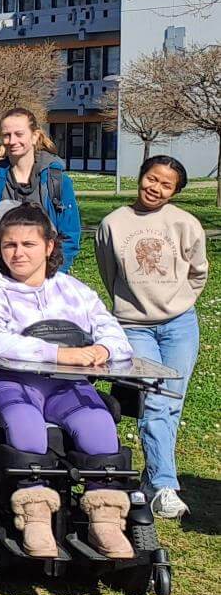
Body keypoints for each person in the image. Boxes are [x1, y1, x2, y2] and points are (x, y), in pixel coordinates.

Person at [0, 204, 135, 559]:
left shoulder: (75, 290)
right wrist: (58, 353)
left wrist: (104, 349)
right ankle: (34, 514)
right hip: (9, 381)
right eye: (9, 246)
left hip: (67, 384)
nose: (18, 253)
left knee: (98, 422)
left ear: (49, 246)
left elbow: (113, 332)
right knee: (25, 421)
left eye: (28, 245)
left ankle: (105, 518)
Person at [95, 155, 209, 520]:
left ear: (175, 192)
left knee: (172, 402)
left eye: (166, 185)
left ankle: (153, 477)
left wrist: (179, 301)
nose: (155, 188)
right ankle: (164, 486)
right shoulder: (114, 223)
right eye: (152, 179)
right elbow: (108, 271)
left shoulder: (185, 224)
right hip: (134, 326)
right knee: (157, 400)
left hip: (180, 325)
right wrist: (132, 307)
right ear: (141, 175)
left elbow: (198, 272)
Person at [0, 107, 80, 271]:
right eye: (7, 135)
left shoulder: (58, 182)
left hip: (46, 279)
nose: (12, 141)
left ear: (35, 136)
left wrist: (51, 276)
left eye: (19, 134)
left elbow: (70, 236)